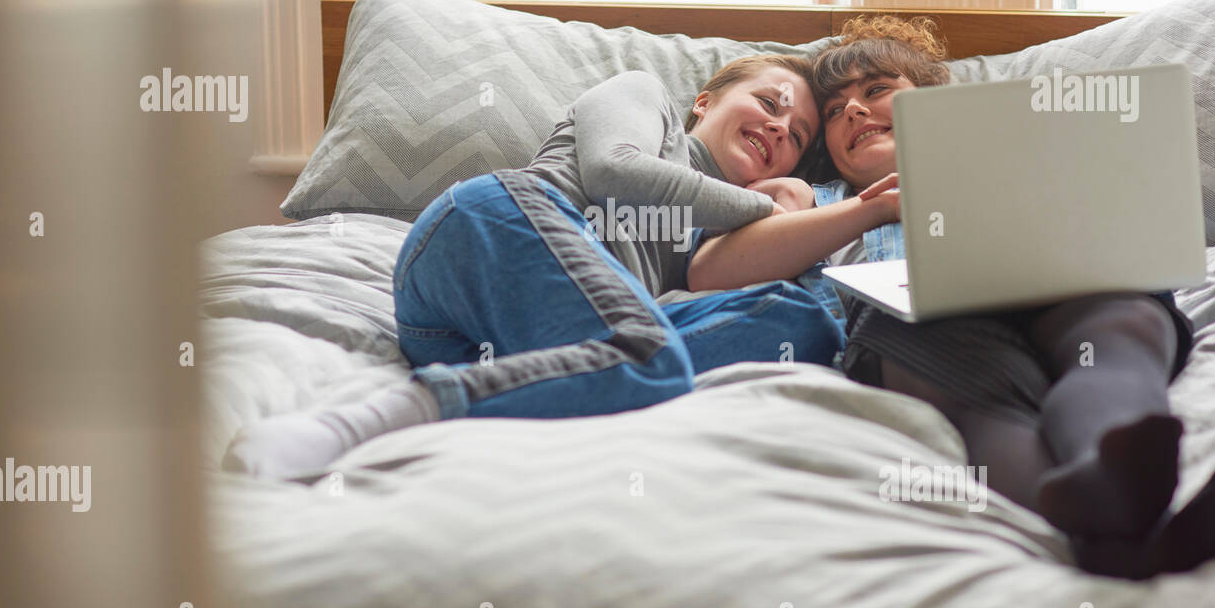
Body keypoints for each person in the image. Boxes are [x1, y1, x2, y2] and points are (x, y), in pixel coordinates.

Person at [686, 16, 1215, 580]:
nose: (853, 110)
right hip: (927, 319)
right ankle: (1101, 530)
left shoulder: (1024, 158)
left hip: (1061, 288)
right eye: (834, 111)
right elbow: (711, 272)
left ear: (930, 102)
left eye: (876, 90)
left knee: (1119, 329)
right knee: (975, 391)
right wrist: (855, 209)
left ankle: (1106, 466)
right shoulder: (814, 197)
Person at [223, 59, 841, 479]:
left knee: (805, 320)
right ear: (705, 101)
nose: (779, 126)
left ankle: (534, 387)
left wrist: (806, 213)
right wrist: (763, 202)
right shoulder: (644, 95)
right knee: (650, 357)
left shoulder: (721, 234)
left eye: (796, 136)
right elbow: (614, 171)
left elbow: (736, 288)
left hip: (524, 335)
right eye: (769, 102)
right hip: (489, 228)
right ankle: (369, 420)